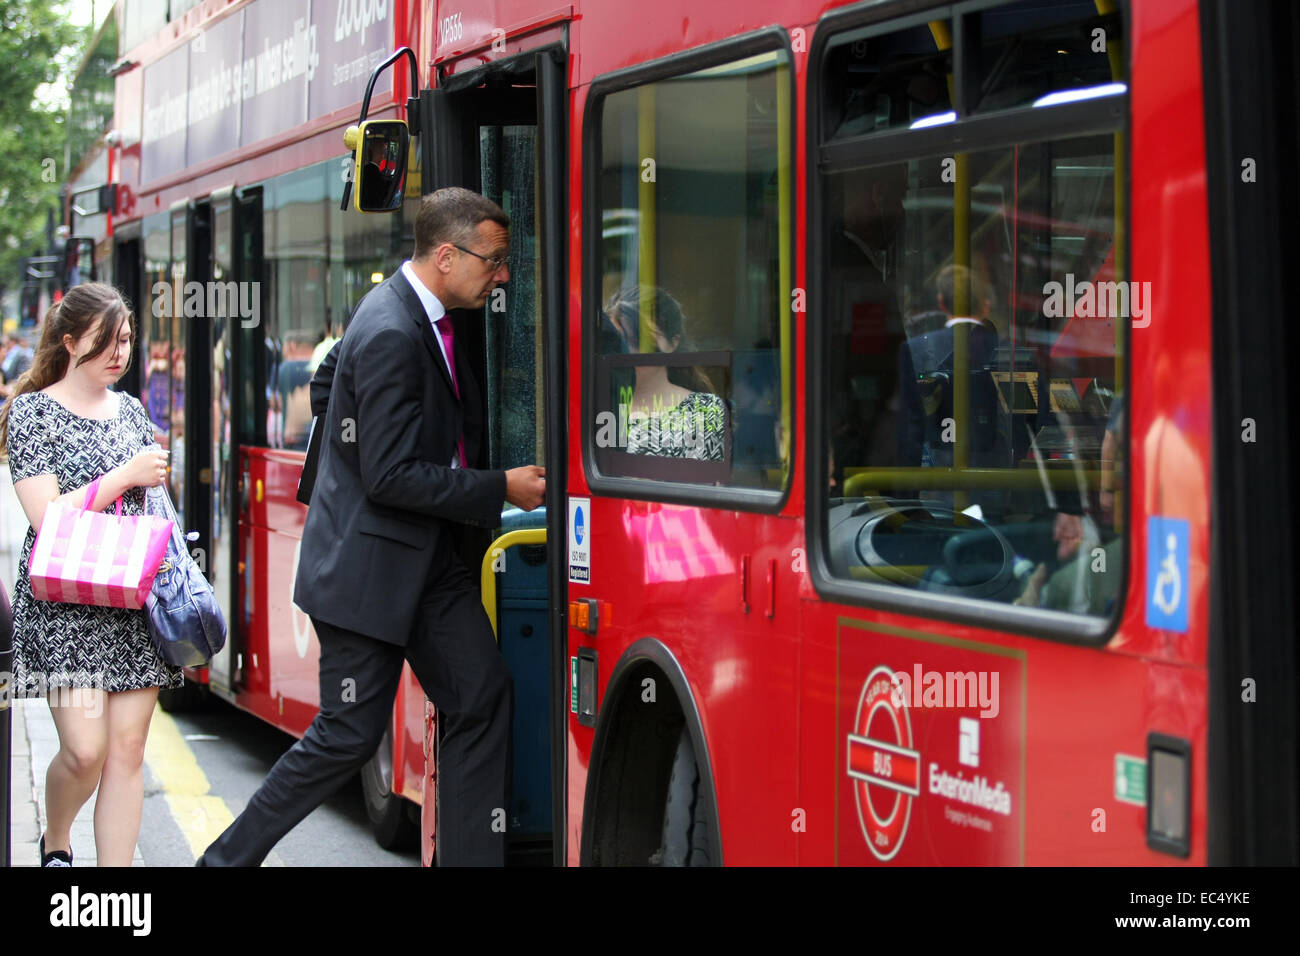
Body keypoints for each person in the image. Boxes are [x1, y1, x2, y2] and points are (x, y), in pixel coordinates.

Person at [196, 187, 546, 867]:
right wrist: (498, 487)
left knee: (480, 698)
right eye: (494, 261)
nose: (503, 276)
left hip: (429, 564)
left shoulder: (410, 312)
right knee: (347, 737)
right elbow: (390, 476)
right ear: (446, 256)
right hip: (368, 577)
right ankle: (222, 863)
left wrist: (340, 470)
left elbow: (331, 386)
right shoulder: (389, 328)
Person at [0, 282, 175, 866]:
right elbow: (46, 517)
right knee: (83, 751)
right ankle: (55, 840)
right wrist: (125, 475)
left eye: (125, 340)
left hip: (130, 603)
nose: (119, 354)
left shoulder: (131, 411)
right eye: (105, 342)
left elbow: (148, 508)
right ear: (70, 342)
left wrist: (150, 483)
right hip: (64, 604)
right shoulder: (32, 413)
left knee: (126, 752)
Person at [607, 285, 727, 461]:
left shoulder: (704, 411)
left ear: (672, 343)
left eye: (638, 341)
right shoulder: (594, 405)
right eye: (617, 342)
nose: (627, 353)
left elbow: (710, 483)